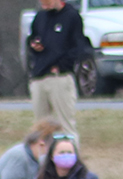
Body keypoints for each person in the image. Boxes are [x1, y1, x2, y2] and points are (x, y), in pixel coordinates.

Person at [26, 0, 82, 135]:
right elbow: (32, 39)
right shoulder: (40, 17)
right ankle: (43, 155)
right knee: (40, 127)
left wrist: (61, 66)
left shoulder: (71, 16)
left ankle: (69, 154)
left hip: (59, 77)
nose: (44, 3)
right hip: (39, 76)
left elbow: (78, 47)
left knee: (65, 125)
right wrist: (34, 46)